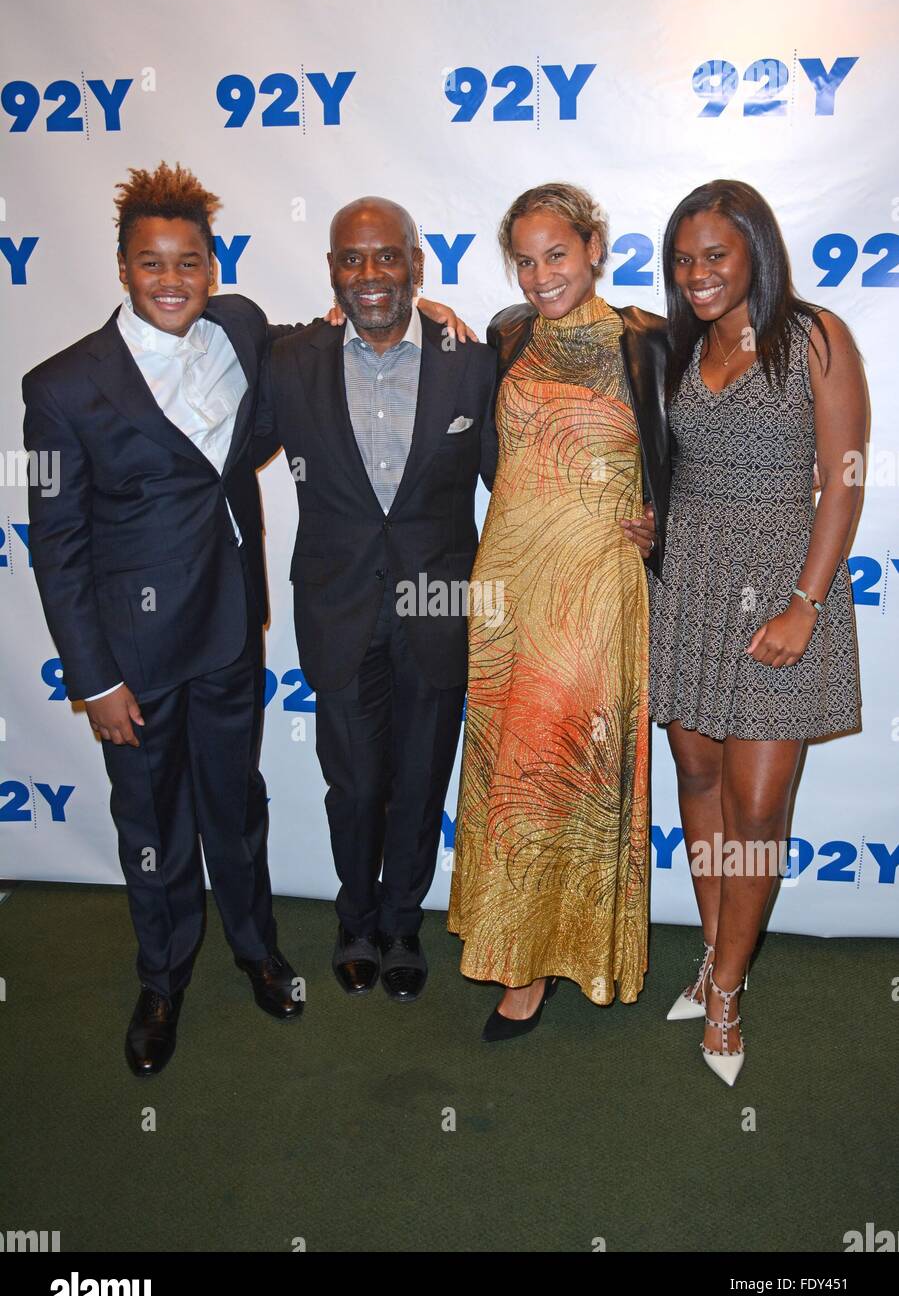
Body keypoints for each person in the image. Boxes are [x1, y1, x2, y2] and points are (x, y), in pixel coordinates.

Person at [22, 164, 470, 1075]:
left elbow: (345, 327)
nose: (173, 279)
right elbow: (54, 545)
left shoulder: (241, 330)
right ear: (120, 268)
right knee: (151, 820)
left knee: (237, 807)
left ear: (213, 268)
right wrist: (94, 677)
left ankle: (259, 951)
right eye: (152, 264)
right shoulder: (61, 387)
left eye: (189, 261)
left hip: (229, 630)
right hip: (133, 653)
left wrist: (442, 318)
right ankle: (162, 977)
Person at [650, 179, 864, 1085]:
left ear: (755, 255)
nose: (696, 274)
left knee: (760, 807)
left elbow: (844, 476)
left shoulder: (813, 336)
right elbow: (539, 312)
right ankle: (710, 948)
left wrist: (803, 605)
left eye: (715, 256)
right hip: (689, 581)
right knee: (695, 775)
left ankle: (729, 990)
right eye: (682, 259)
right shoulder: (672, 343)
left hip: (782, 585)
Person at [262, 197, 498, 1004]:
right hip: (337, 607)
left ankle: (400, 925)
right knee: (355, 783)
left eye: (386, 257)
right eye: (351, 259)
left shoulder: (473, 360)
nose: (370, 276)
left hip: (438, 604)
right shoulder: (290, 360)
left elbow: (513, 479)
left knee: (422, 776)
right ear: (332, 270)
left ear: (415, 265)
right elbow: (214, 325)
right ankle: (354, 918)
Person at [448, 182, 666, 1041]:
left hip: (595, 582)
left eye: (558, 255)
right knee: (510, 772)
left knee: (568, 766)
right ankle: (519, 956)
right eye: (526, 260)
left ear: (594, 247)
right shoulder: (506, 334)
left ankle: (573, 950)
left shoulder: (646, 339)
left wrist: (663, 523)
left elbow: (695, 445)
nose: (542, 275)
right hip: (505, 578)